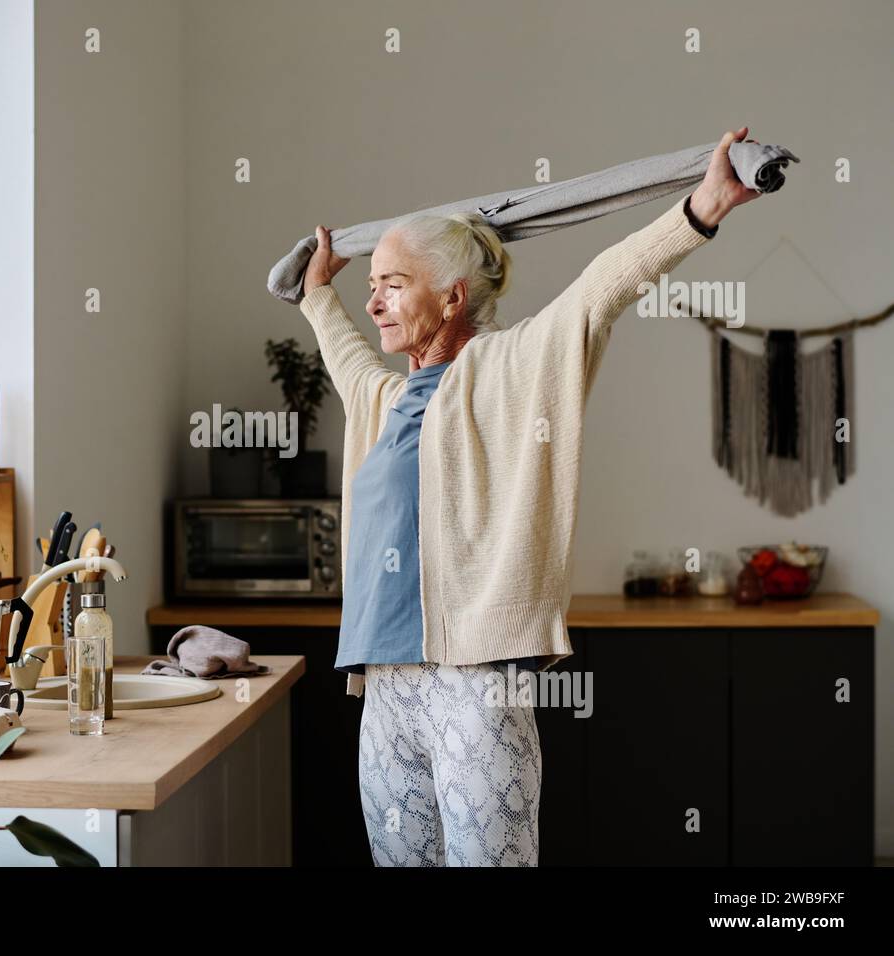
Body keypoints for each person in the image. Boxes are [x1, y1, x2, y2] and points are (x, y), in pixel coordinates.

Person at [300, 127, 761, 867]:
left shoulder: (512, 366)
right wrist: (319, 289)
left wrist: (701, 208)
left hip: (475, 689)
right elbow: (344, 351)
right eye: (371, 283)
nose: (374, 300)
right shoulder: (384, 401)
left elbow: (602, 290)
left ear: (452, 297)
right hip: (385, 689)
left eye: (393, 283)